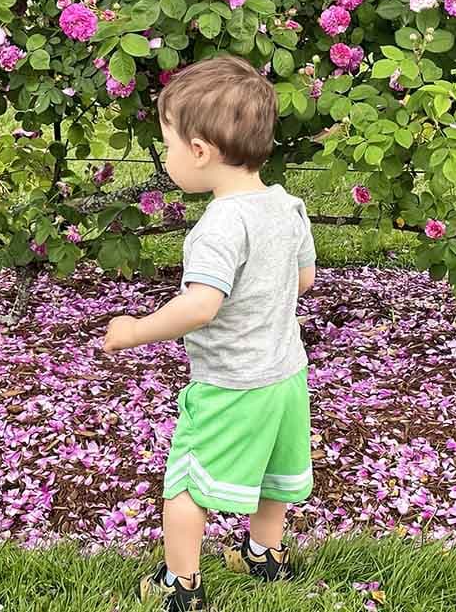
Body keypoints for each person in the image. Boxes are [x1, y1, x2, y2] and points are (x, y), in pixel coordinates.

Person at [103, 54, 316, 611]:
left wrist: (134, 330)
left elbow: (200, 305)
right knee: (274, 472)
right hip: (286, 375)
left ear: (200, 152)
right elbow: (304, 279)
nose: (170, 156)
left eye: (169, 144)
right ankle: (263, 552)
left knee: (187, 482)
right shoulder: (288, 206)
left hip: (231, 382)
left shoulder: (218, 227)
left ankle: (181, 586)